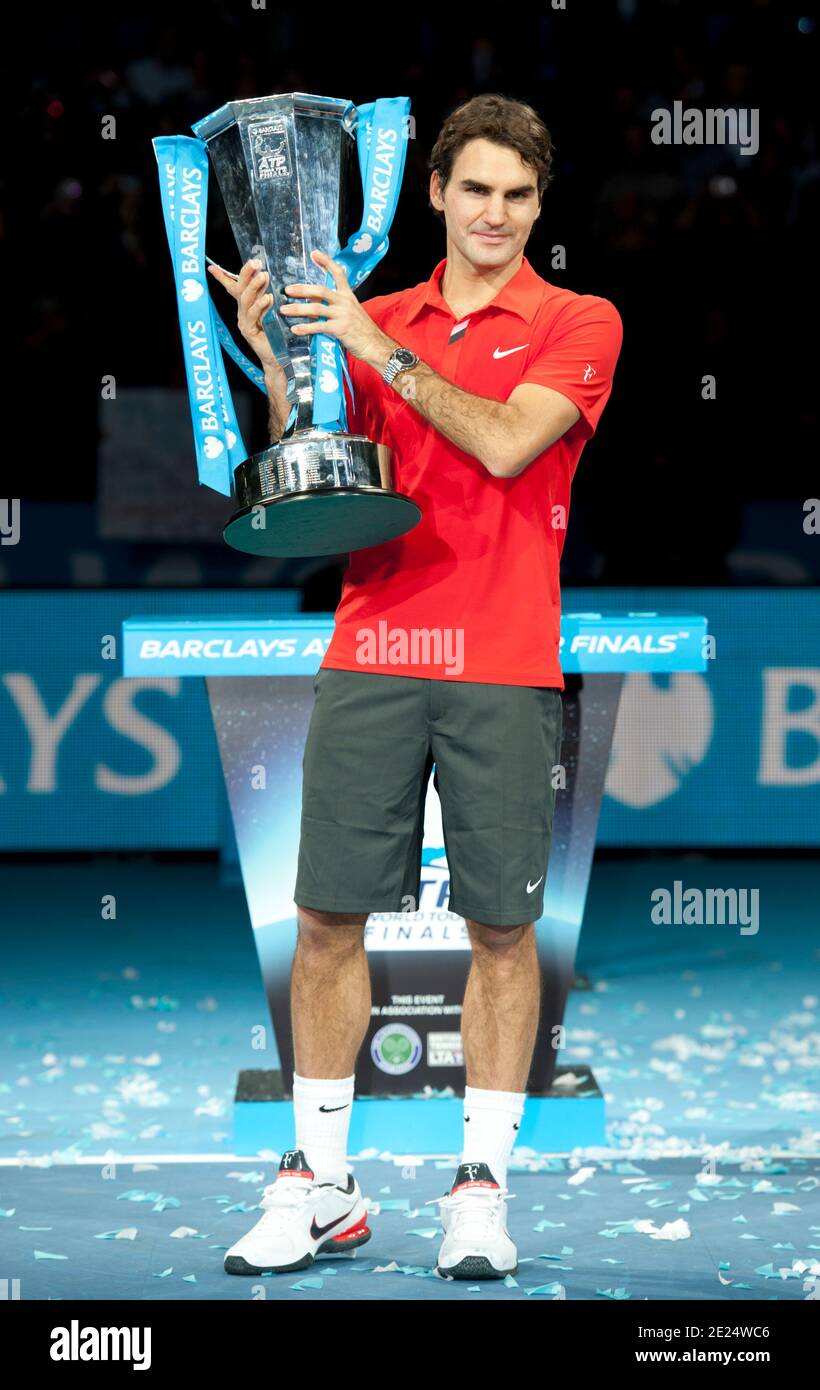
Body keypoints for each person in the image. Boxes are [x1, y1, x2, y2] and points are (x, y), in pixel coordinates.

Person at [209, 92, 623, 1281]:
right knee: (328, 921)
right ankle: (320, 1184)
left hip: (501, 661)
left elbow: (503, 445)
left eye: (518, 194)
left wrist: (366, 342)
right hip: (372, 651)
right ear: (435, 192)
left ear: (538, 207)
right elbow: (316, 473)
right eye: (474, 188)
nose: (494, 213)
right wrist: (279, 360)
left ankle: (478, 1192)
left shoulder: (578, 318)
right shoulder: (369, 313)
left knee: (502, 930)